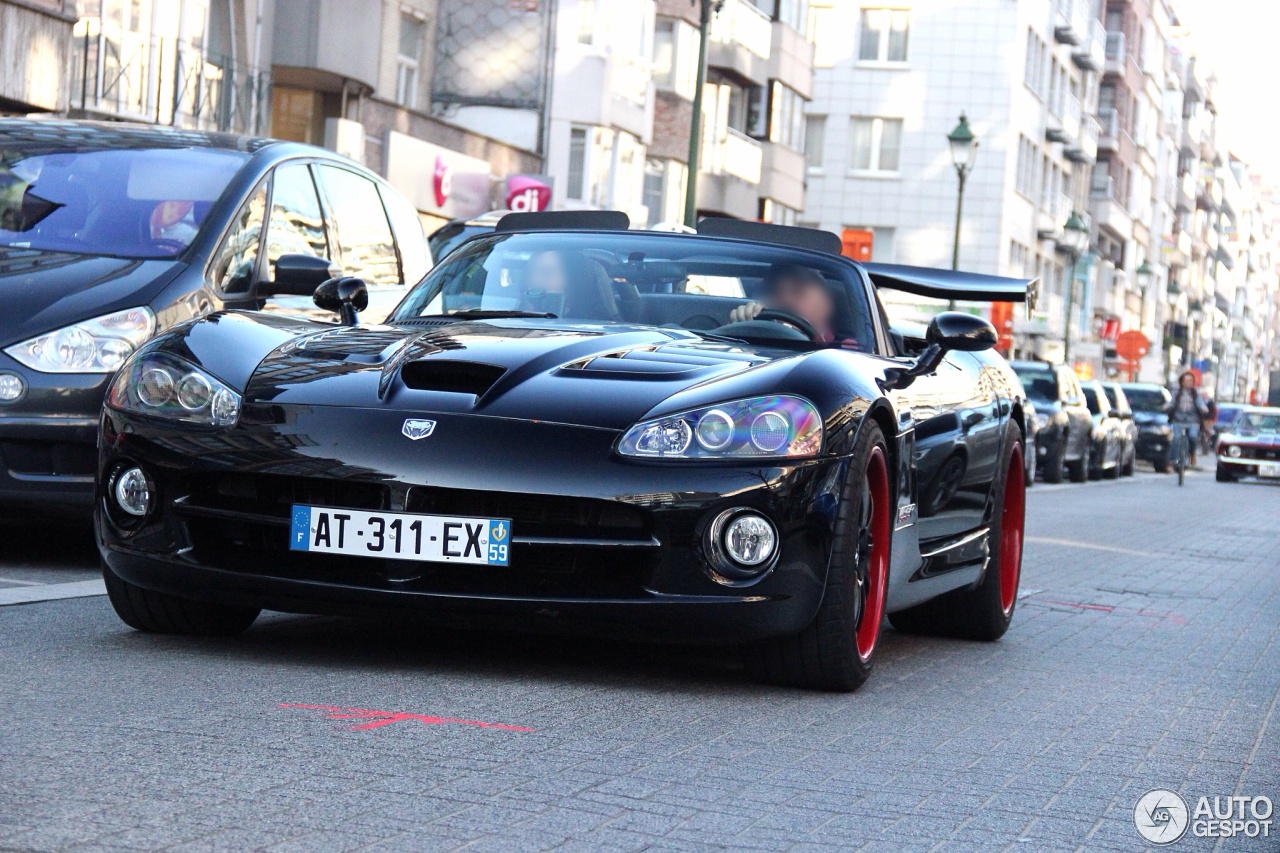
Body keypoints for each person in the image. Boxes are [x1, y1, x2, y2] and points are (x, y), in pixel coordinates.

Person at [728, 264, 842, 341]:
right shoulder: (757, 339)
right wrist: (741, 329)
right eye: (775, 292)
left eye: (798, 292)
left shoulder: (846, 352)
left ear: (825, 305)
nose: (785, 300)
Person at [520, 250, 618, 320]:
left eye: (547, 273)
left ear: (573, 280)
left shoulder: (596, 325)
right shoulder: (511, 317)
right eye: (530, 273)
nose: (535, 280)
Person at [1165, 370, 1208, 468]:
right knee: (1176, 438)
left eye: (1190, 381)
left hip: (1193, 420)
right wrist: (1166, 406)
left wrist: (1204, 408)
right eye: (1186, 381)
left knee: (1192, 437)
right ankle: (1173, 459)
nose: (1188, 383)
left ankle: (1192, 454)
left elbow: (1200, 403)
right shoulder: (1177, 392)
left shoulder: (1195, 392)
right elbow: (1172, 402)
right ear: (1182, 382)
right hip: (1178, 419)